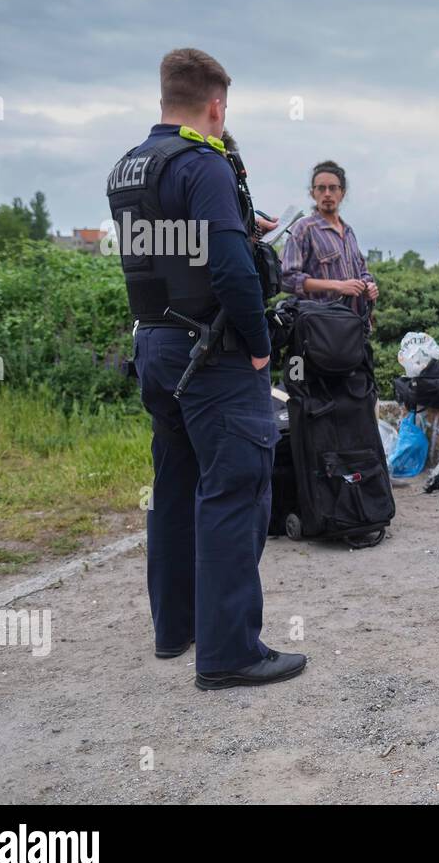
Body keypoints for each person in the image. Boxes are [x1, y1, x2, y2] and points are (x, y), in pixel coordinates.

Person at [107, 48, 305, 687]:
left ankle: (176, 630)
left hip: (157, 346)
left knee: (174, 490)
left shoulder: (131, 166)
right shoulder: (205, 163)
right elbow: (228, 270)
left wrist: (241, 225)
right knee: (234, 491)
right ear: (216, 105)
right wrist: (259, 345)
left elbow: (172, 251)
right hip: (213, 355)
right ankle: (230, 654)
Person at [281, 160, 378, 328]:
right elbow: (287, 279)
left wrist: (369, 287)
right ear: (312, 193)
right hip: (321, 330)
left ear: (342, 193)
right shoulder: (304, 229)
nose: (327, 194)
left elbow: (363, 273)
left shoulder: (348, 232)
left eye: (333, 188)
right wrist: (338, 286)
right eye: (321, 188)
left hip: (355, 329)